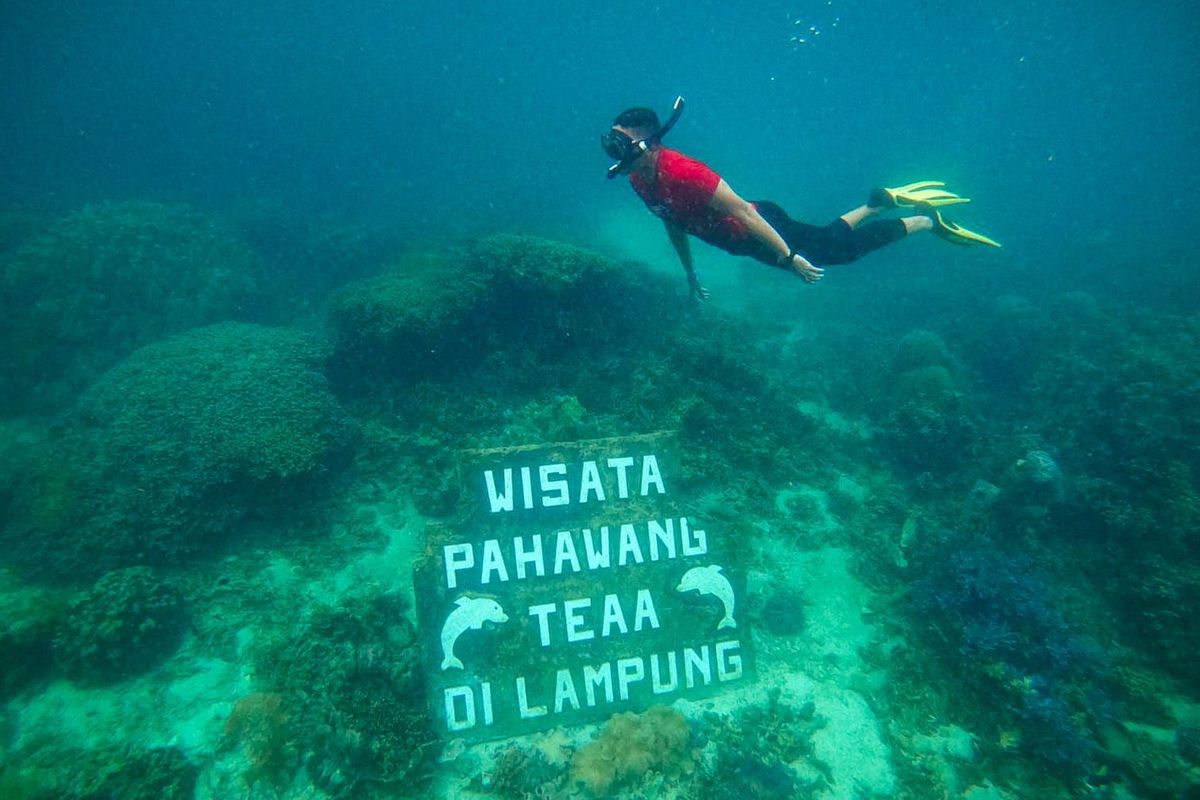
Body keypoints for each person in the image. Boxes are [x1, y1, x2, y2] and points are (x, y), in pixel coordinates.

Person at [601, 98, 1000, 301]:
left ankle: (926, 220)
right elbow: (674, 224)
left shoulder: (684, 172)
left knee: (838, 253)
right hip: (750, 239)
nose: (614, 154)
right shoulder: (640, 182)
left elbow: (740, 210)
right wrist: (690, 273)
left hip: (759, 229)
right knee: (827, 239)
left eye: (620, 143)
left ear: (646, 143)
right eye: (611, 143)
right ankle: (879, 204)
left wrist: (789, 258)